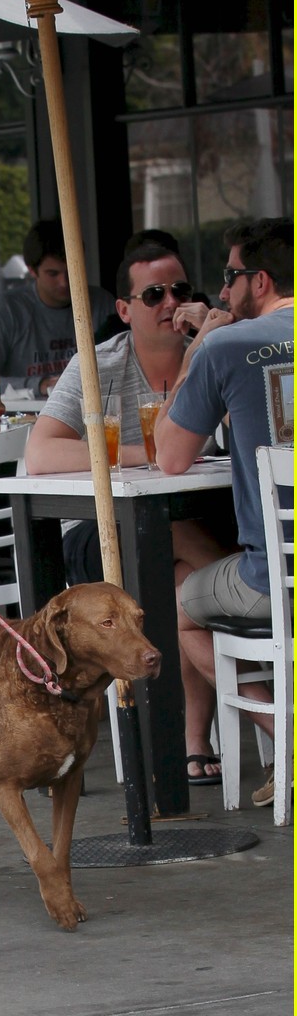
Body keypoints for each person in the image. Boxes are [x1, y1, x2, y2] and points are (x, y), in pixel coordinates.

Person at [26, 241, 232, 784]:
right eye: (154, 294)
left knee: (184, 584)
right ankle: (263, 694)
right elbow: (40, 453)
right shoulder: (100, 364)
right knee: (181, 555)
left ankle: (195, 742)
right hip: (102, 532)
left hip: (186, 523)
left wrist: (204, 349)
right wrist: (144, 455)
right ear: (124, 309)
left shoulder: (215, 353)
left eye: (181, 291)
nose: (171, 303)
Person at [155, 216, 294, 808]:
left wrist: (197, 352)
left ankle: (284, 737)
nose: (223, 290)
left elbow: (170, 457)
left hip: (275, 579)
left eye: (231, 276)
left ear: (258, 281)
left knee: (177, 607)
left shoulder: (228, 346)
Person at [0, 218, 115, 400]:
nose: (64, 282)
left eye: (72, 271)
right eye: (53, 274)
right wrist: (40, 385)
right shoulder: (6, 310)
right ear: (32, 270)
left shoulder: (102, 303)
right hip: (27, 421)